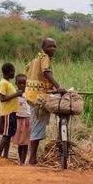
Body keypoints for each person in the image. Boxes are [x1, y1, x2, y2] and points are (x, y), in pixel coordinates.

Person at [25, 38, 64, 166]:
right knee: (37, 127)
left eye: (54, 46)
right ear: (43, 48)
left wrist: (51, 88)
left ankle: (32, 158)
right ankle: (32, 159)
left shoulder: (35, 60)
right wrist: (58, 87)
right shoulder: (45, 58)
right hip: (39, 98)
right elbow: (46, 73)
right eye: (49, 46)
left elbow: (36, 75)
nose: (52, 49)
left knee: (37, 125)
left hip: (32, 96)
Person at [0, 63, 22, 159]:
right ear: (9, 72)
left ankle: (5, 156)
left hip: (12, 112)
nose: (14, 73)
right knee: (6, 135)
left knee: (9, 135)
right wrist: (16, 94)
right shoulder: (3, 83)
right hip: (7, 113)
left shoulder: (8, 83)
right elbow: (2, 98)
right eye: (13, 71)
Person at [12, 73, 31, 164]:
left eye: (24, 83)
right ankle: (20, 161)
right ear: (16, 83)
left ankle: (23, 161)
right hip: (18, 120)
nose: (22, 85)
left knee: (25, 142)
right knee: (20, 142)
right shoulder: (14, 94)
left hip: (27, 120)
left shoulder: (28, 94)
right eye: (20, 83)